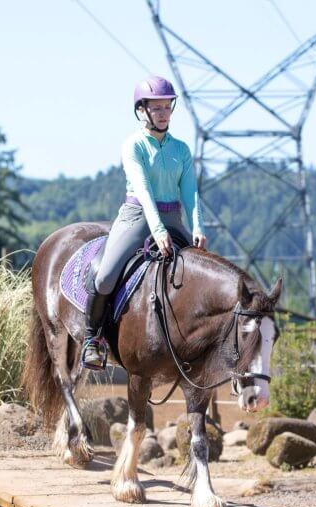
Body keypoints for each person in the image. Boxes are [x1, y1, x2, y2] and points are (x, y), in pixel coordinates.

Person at [81, 75, 207, 370]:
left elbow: (191, 193)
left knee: (197, 276)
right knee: (104, 276)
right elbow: (144, 191)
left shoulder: (182, 150)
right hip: (137, 216)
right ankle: (93, 339)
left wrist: (198, 227)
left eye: (167, 107)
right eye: (157, 108)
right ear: (142, 110)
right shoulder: (133, 146)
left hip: (173, 216)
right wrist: (158, 230)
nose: (164, 114)